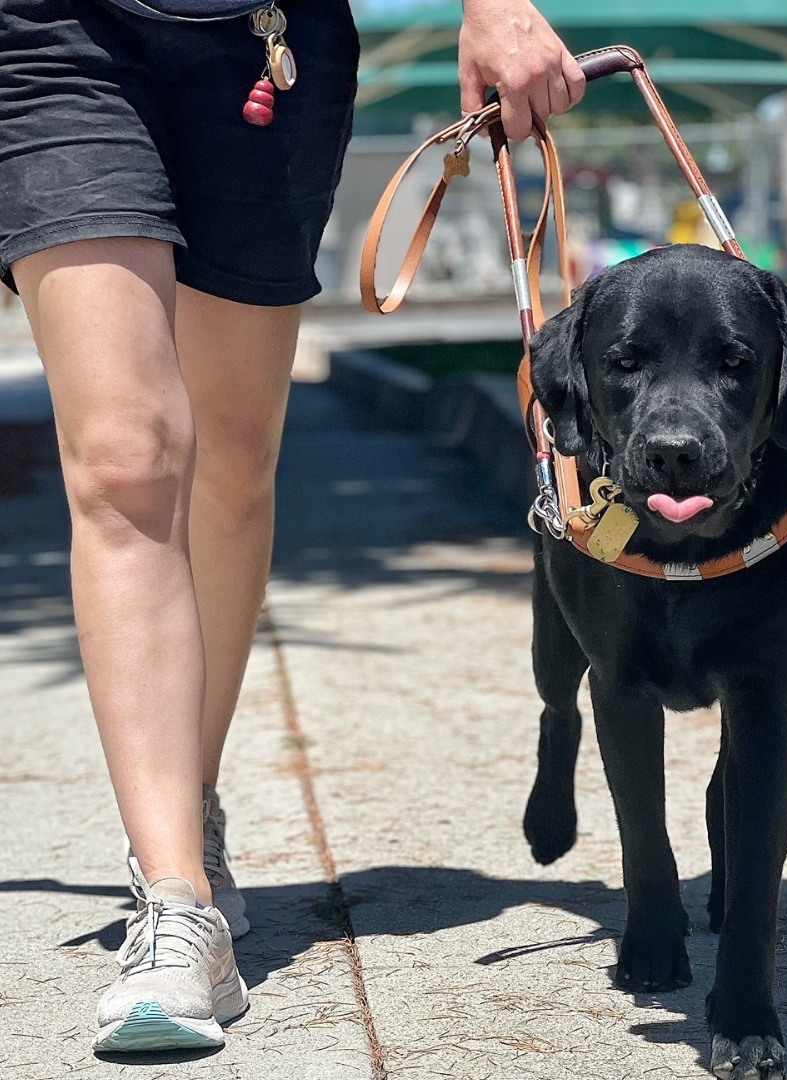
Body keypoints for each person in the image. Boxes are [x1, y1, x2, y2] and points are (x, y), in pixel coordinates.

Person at [0, 0, 584, 1053]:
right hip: (47, 33)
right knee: (128, 455)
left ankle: (193, 798)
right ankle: (175, 898)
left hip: (265, 40)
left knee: (231, 458)